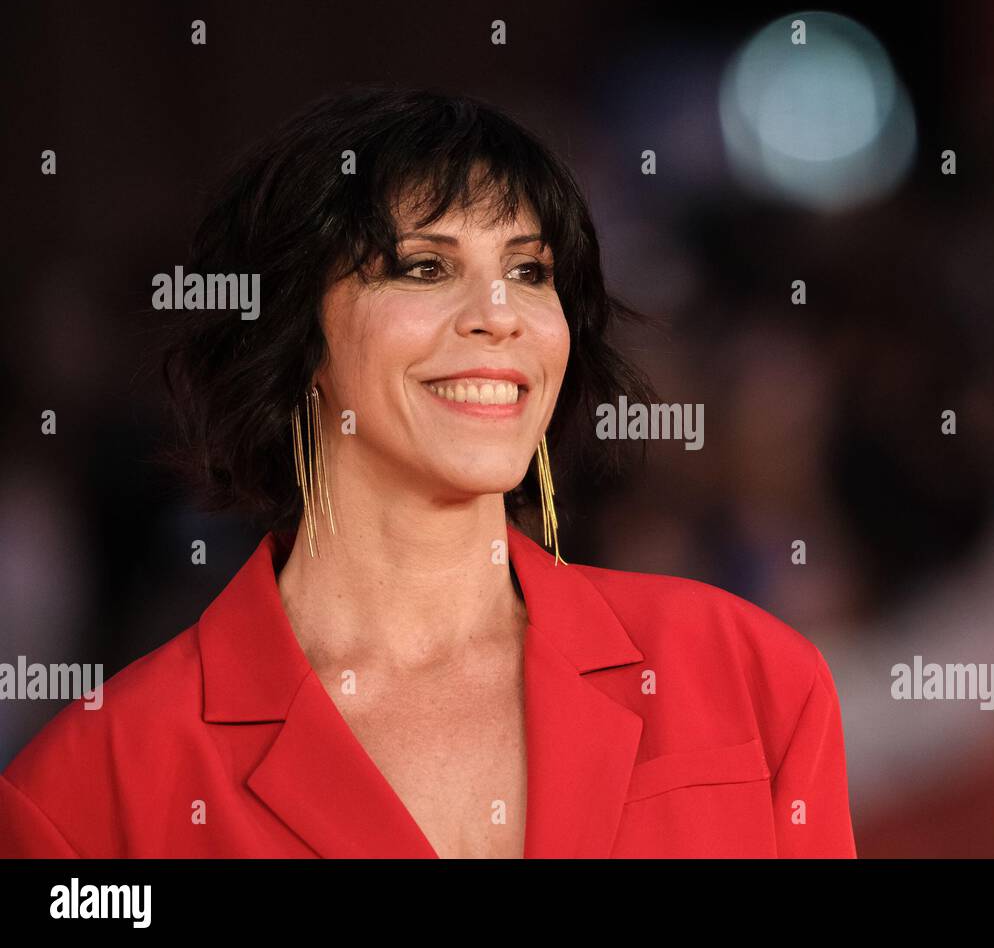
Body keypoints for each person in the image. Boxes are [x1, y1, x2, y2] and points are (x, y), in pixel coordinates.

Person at [0, 86, 856, 858]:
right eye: (425, 266)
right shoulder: (87, 794)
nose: (500, 317)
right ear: (295, 338)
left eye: (530, 272)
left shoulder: (749, 678)